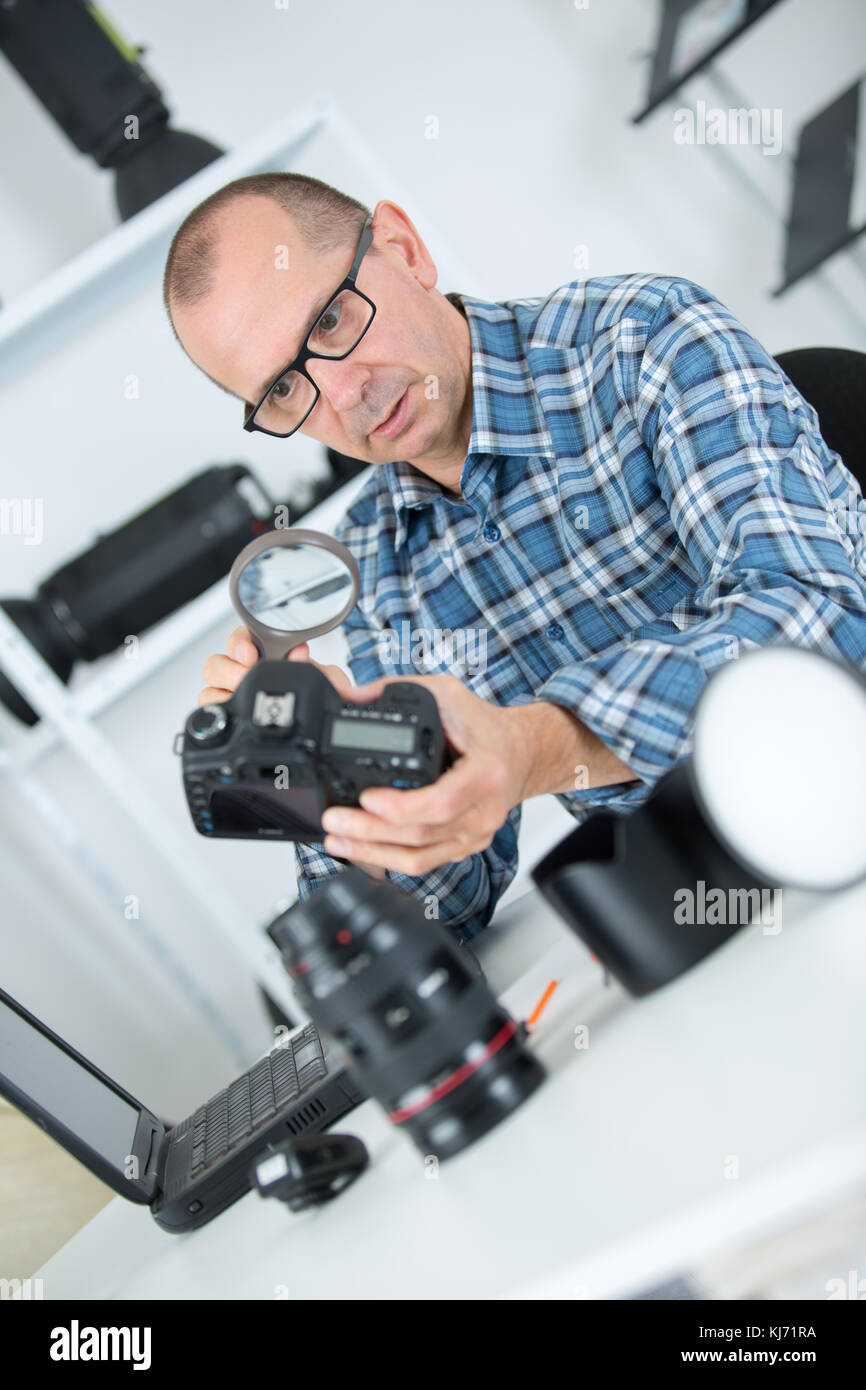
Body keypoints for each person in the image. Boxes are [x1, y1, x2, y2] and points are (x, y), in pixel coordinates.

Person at [162, 172, 866, 942]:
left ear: (403, 249)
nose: (345, 395)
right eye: (287, 390)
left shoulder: (647, 338)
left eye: (331, 320)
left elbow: (816, 612)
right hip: (696, 911)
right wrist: (335, 774)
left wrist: (533, 746)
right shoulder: (378, 559)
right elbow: (448, 908)